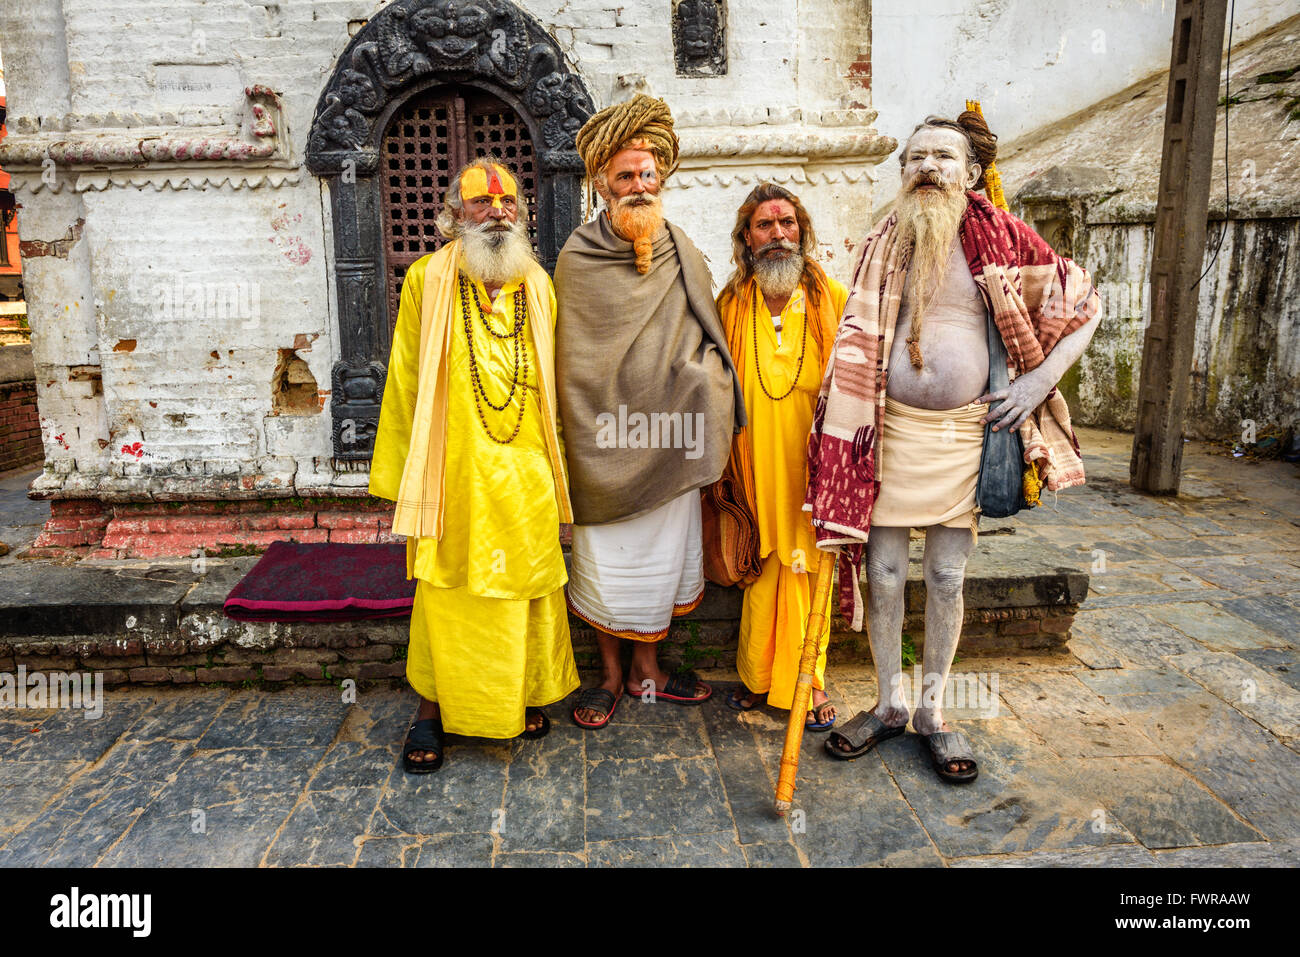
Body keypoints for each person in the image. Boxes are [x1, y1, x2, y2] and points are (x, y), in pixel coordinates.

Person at [805, 112, 1102, 782]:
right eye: (916, 158)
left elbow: (1086, 304)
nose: (928, 168)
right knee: (882, 575)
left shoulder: (1002, 237)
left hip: (965, 435)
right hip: (884, 432)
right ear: (903, 172)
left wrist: (1040, 381)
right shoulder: (883, 241)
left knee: (945, 576)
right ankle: (888, 703)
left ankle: (934, 711)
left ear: (970, 174)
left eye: (944, 156)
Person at [370, 158, 578, 771]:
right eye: (481, 204)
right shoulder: (428, 280)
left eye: (507, 203)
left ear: (521, 212)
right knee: (448, 591)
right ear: (454, 216)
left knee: (526, 587)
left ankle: (521, 695)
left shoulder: (535, 283)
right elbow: (406, 375)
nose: (496, 212)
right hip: (453, 467)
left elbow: (558, 377)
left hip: (525, 467)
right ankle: (432, 710)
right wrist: (404, 475)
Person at [554, 94, 745, 729]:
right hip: (600, 441)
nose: (639, 186)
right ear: (602, 183)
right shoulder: (577, 256)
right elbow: (573, 357)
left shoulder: (681, 248)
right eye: (626, 176)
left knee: (658, 566)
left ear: (661, 179)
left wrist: (701, 384)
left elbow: (708, 332)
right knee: (609, 566)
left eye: (648, 175)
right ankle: (610, 676)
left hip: (670, 439)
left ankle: (650, 671)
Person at [715, 183, 847, 731]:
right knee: (764, 557)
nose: (778, 235)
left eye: (788, 224)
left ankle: (806, 683)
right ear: (747, 237)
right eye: (765, 226)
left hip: (812, 460)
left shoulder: (832, 298)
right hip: (751, 457)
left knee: (806, 561)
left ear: (802, 231)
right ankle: (759, 677)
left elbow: (858, 379)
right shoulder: (730, 303)